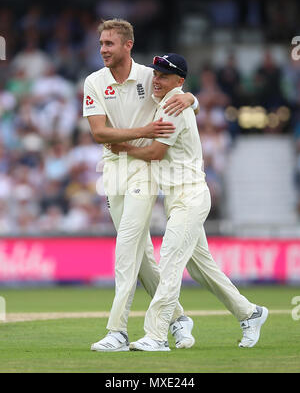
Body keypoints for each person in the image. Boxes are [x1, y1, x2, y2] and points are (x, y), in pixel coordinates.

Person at [110, 53, 269, 351]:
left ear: (179, 81)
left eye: (164, 77)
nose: (156, 80)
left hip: (190, 196)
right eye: (155, 75)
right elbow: (186, 108)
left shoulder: (172, 105)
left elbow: (155, 153)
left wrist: (120, 146)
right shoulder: (171, 101)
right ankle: (251, 313)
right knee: (201, 268)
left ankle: (156, 335)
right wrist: (193, 99)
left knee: (169, 262)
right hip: (179, 197)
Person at [83, 19, 199, 352]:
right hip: (113, 170)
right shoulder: (94, 82)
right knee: (142, 255)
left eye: (109, 43)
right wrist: (143, 129)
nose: (103, 49)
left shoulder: (151, 77)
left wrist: (192, 99)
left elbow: (180, 92)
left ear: (127, 45)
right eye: (101, 43)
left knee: (127, 246)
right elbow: (99, 133)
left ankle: (117, 330)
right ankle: (178, 319)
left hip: (145, 168)